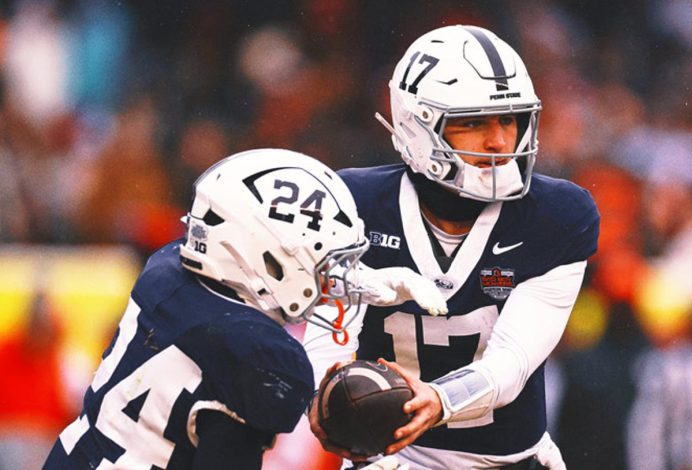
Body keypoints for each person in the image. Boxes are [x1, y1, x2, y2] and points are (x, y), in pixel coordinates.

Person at [305, 25, 600, 469]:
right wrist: (321, 398)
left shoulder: (557, 216)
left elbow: (513, 361)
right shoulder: (353, 205)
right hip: (389, 462)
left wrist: (439, 399)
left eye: (509, 118)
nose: (500, 140)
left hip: (511, 462)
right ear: (416, 124)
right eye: (474, 122)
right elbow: (329, 339)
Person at [43, 148, 446, 469]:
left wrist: (361, 283)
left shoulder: (169, 270)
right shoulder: (260, 359)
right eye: (320, 262)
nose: (330, 279)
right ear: (269, 257)